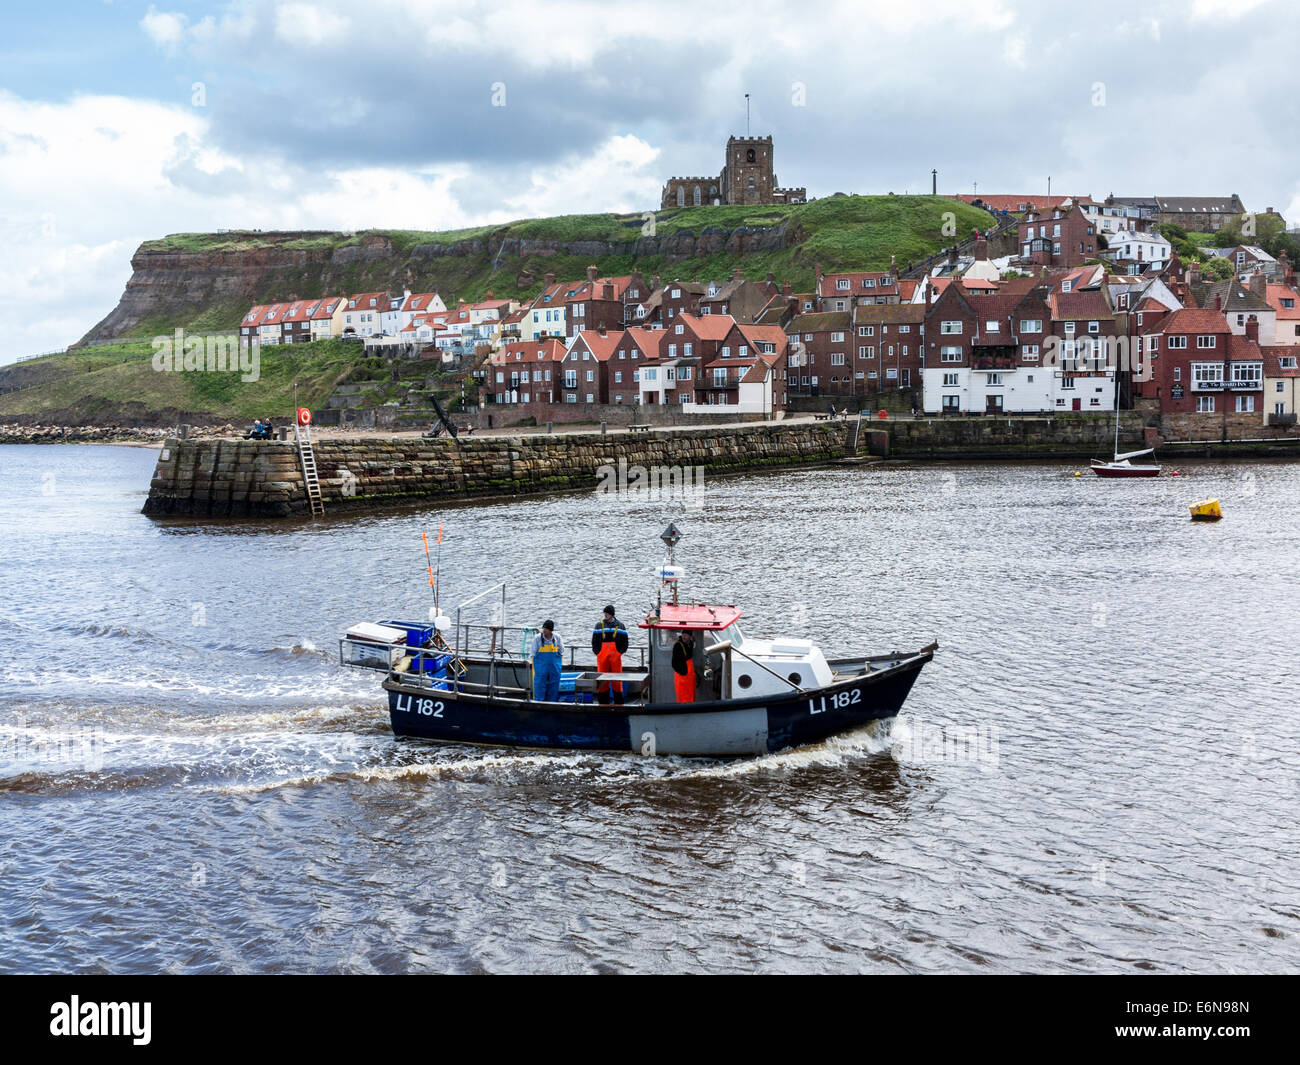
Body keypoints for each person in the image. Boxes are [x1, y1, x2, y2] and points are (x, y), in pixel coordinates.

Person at [591, 605, 628, 705]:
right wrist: (597, 652)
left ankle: (619, 705)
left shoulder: (621, 626)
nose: (605, 615)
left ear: (612, 614)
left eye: (607, 613)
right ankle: (603, 705)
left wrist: (620, 652)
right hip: (602, 658)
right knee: (602, 682)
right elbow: (594, 641)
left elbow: (625, 642)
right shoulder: (598, 625)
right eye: (605, 613)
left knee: (617, 682)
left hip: (616, 658)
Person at [530, 620, 564, 702]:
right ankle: (538, 702)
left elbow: (561, 651)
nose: (544, 630)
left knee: (554, 684)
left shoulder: (557, 638)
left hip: (554, 666)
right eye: (543, 628)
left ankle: (552, 702)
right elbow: (533, 653)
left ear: (551, 630)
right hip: (540, 666)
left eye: (546, 629)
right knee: (539, 684)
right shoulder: (537, 638)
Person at [671, 630, 696, 703]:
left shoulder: (688, 644)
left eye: (686, 635)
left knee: (691, 695)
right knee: (683, 697)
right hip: (682, 676)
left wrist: (692, 642)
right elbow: (674, 663)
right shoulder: (678, 645)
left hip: (689, 677)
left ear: (690, 637)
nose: (684, 636)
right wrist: (683, 672)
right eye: (683, 634)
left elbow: (689, 654)